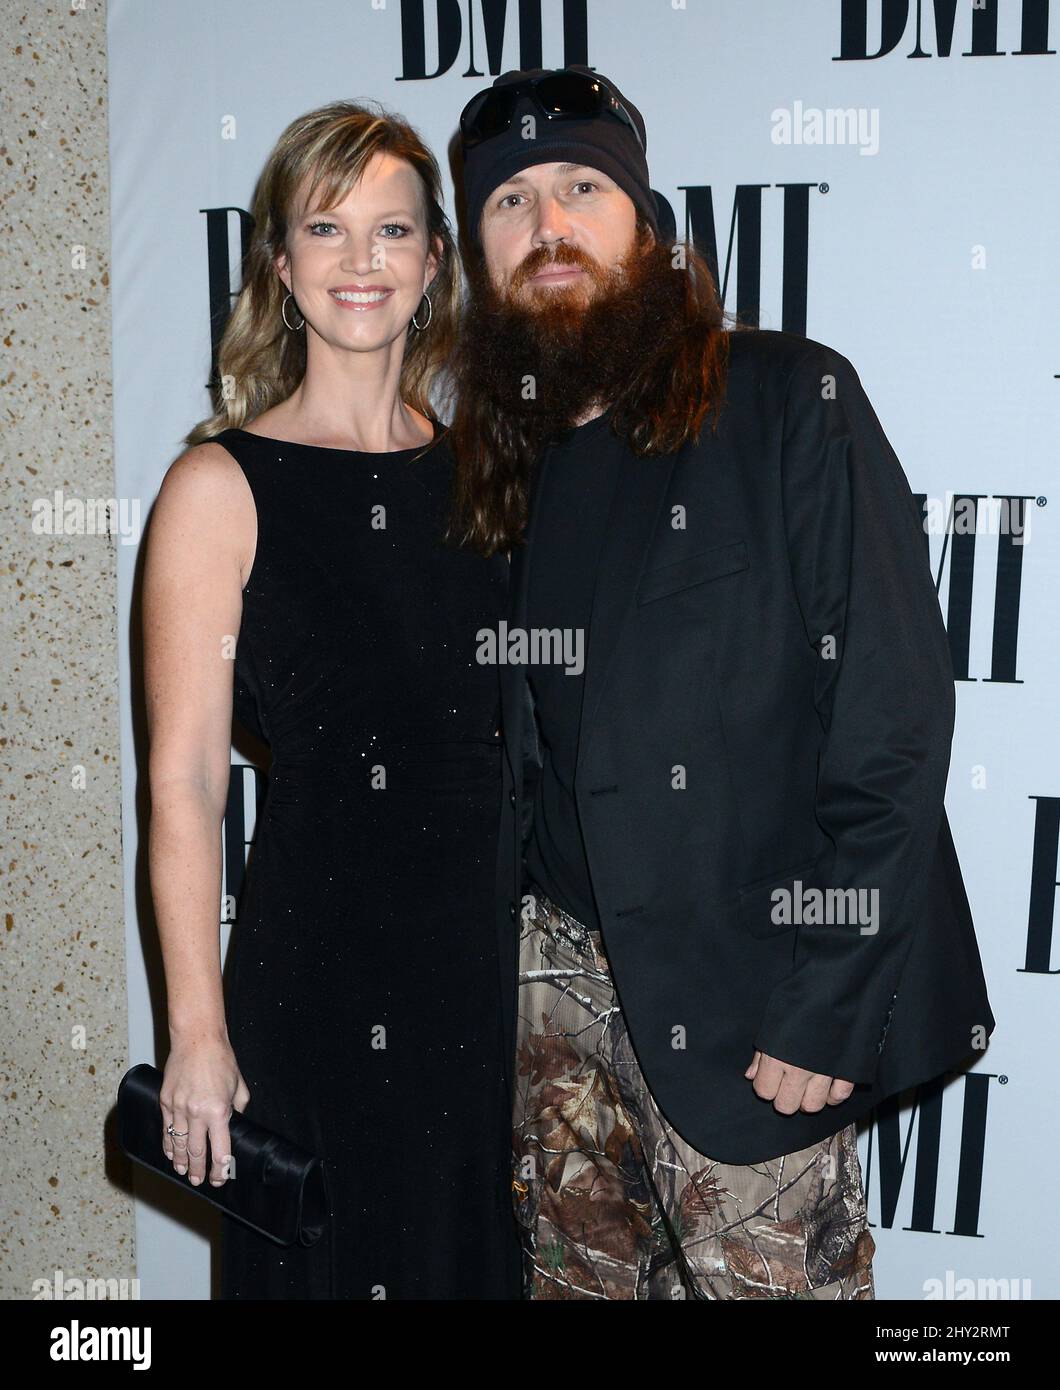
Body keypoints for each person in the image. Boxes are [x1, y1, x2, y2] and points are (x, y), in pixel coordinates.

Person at [447, 66, 995, 1300]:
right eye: (509, 203)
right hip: (553, 1012)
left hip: (756, 1014)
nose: (549, 227)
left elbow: (894, 722)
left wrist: (829, 1002)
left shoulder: (785, 400)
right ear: (475, 253)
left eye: (582, 187)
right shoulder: (497, 462)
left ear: (645, 223)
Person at [141, 100, 523, 1299]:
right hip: (316, 979)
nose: (361, 262)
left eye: (393, 231)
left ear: (432, 266)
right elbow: (187, 783)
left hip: (482, 979)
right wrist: (196, 1031)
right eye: (326, 227)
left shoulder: (490, 476)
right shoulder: (218, 484)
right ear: (281, 263)